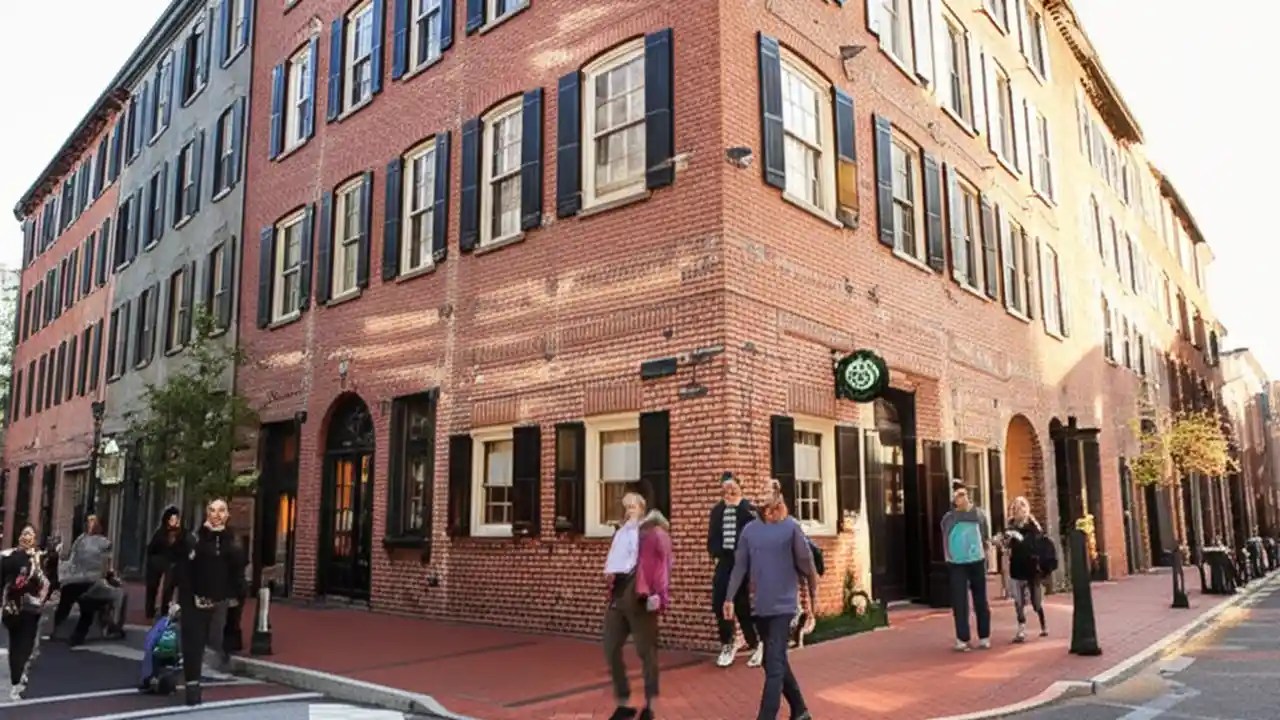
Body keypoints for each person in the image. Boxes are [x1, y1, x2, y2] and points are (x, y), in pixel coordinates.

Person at [725, 480, 816, 720]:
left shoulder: (791, 528)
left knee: (774, 664)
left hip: (784, 606)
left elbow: (808, 567)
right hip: (760, 606)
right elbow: (740, 566)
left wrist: (812, 605)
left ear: (778, 496)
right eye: (761, 491)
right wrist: (729, 598)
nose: (764, 495)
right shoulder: (749, 531)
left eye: (769, 491)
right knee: (773, 661)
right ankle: (800, 710)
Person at [603, 493, 672, 720]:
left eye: (634, 505)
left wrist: (660, 596)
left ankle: (650, 705)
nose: (629, 509)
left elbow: (663, 564)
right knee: (611, 647)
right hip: (619, 593)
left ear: (642, 508)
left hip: (641, 593)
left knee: (646, 651)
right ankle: (623, 703)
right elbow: (613, 560)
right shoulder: (620, 533)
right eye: (626, 506)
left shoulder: (652, 533)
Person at [173, 498, 247, 706]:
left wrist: (236, 595)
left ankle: (213, 666)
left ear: (227, 515)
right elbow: (183, 569)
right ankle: (192, 687)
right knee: (193, 643)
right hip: (194, 601)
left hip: (219, 600)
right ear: (206, 513)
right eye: (213, 510)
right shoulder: (195, 539)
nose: (217, 514)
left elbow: (237, 569)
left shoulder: (231, 542)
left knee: (215, 639)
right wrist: (181, 601)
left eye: (221, 510)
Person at [707, 472, 761, 668]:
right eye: (725, 488)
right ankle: (727, 643)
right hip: (725, 561)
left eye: (732, 487)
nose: (728, 492)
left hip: (744, 562)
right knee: (720, 602)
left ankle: (755, 643)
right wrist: (715, 554)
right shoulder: (717, 511)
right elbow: (712, 537)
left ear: (739, 486)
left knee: (742, 605)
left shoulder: (749, 511)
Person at [51, 514, 123, 645]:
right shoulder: (84, 540)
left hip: (88, 580)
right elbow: (73, 559)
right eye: (89, 523)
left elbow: (105, 563)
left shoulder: (97, 541)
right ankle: (60, 628)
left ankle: (73, 633)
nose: (90, 526)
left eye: (92, 523)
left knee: (85, 604)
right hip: (82, 579)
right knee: (71, 598)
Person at [1, 525, 52, 701]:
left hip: (31, 607)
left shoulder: (39, 558)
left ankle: (18, 676)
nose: (26, 537)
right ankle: (17, 680)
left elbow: (47, 582)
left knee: (23, 645)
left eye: (30, 534)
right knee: (19, 644)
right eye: (24, 533)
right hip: (15, 608)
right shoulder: (9, 557)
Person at [942, 486, 992, 652]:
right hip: (957, 563)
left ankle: (984, 636)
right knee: (959, 601)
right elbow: (945, 536)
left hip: (976, 561)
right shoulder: (949, 518)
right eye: (957, 496)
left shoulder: (979, 514)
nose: (960, 499)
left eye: (963, 495)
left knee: (980, 600)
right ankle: (962, 638)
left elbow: (985, 535)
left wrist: (986, 554)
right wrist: (948, 556)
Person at [1001, 496, 1048, 642]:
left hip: (1032, 568)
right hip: (1016, 567)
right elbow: (1006, 545)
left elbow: (1038, 543)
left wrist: (1021, 538)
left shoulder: (1032, 524)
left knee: (1036, 602)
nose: (1017, 510)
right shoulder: (1010, 524)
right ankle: (1021, 628)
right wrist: (1004, 542)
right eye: (1015, 507)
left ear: (1026, 509)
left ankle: (1043, 625)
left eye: (1021, 507)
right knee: (1018, 600)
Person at [145, 506, 184, 620]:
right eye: (172, 519)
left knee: (169, 583)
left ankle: (165, 609)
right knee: (152, 585)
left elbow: (182, 550)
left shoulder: (181, 534)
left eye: (177, 519)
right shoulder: (160, 533)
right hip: (157, 560)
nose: (175, 521)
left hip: (171, 562)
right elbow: (152, 549)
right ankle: (150, 610)